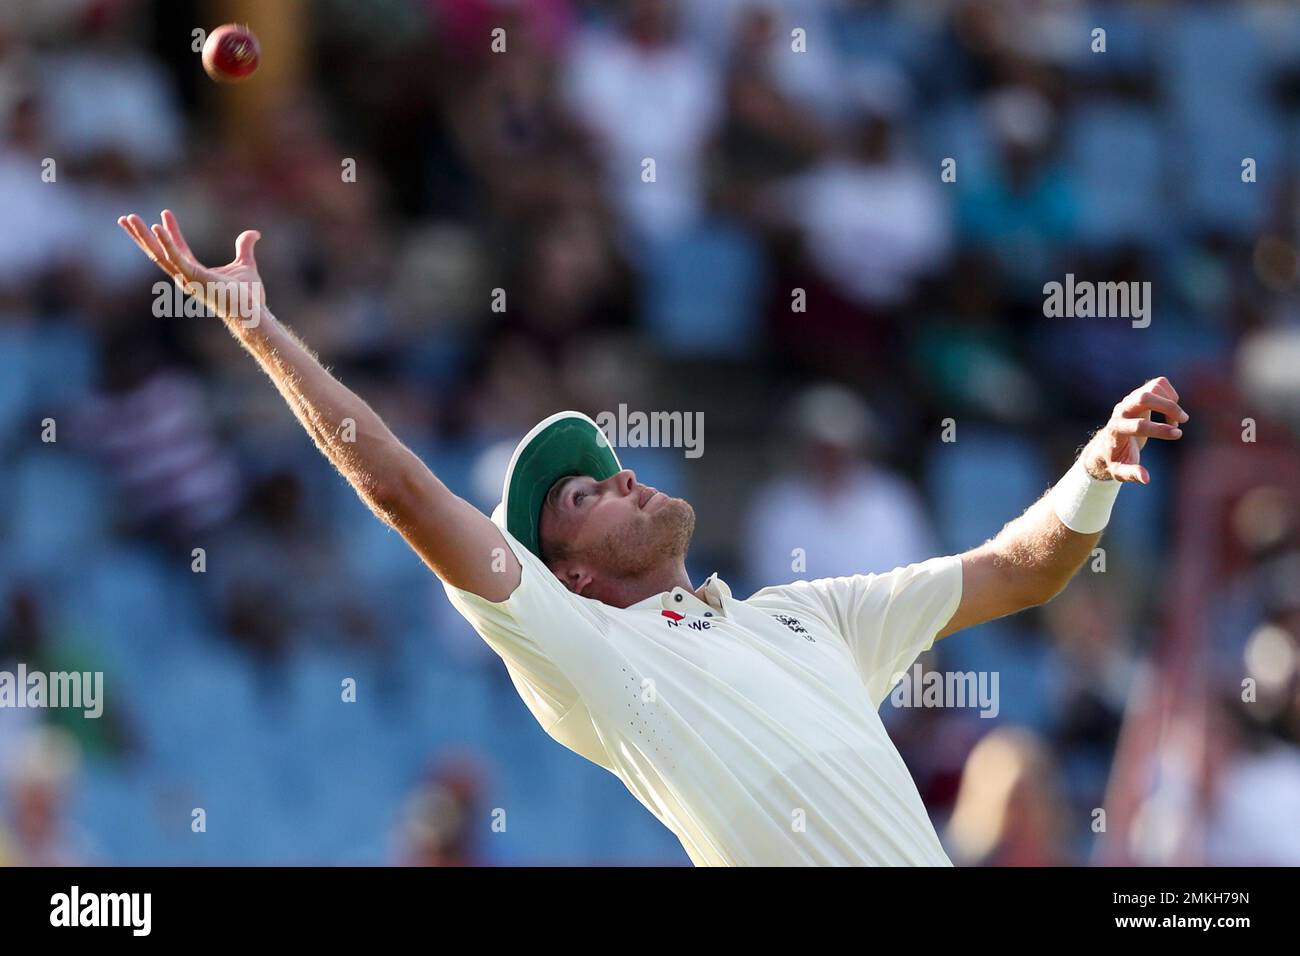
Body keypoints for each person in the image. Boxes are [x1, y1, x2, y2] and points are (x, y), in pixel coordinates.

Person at [116, 210, 1189, 866]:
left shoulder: (804, 616)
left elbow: (1019, 567)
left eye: (607, 467)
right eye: (582, 494)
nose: (620, 476)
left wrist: (1092, 469)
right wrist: (259, 329)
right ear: (569, 574)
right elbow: (400, 489)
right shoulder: (587, 655)